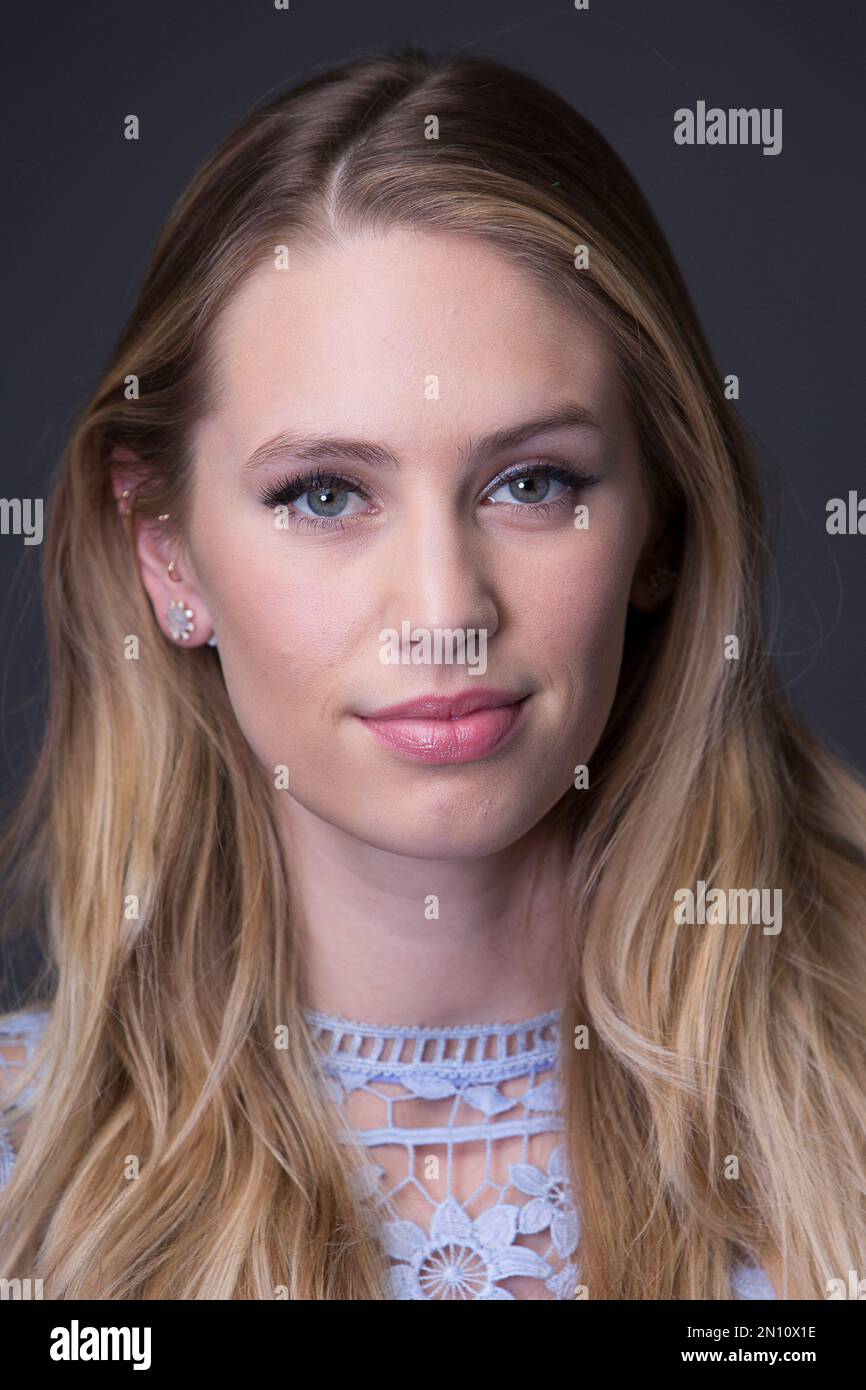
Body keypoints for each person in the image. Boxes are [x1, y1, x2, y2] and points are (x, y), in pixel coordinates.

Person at [1, 47, 864, 1300]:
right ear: (167, 556)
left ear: (661, 529)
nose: (446, 612)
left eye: (532, 482)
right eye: (323, 493)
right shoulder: (28, 1187)